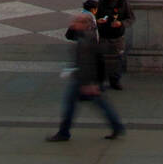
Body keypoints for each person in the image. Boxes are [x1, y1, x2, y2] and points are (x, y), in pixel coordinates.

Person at [47, 14, 125, 142]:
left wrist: (89, 84)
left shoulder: (86, 40)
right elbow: (70, 36)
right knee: (99, 105)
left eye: (77, 21)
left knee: (72, 105)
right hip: (85, 79)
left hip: (84, 81)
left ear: (84, 24)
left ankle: (64, 132)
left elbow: (87, 63)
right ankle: (116, 126)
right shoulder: (85, 36)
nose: (73, 23)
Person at [96, 0, 132, 89]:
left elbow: (130, 18)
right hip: (104, 35)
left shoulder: (124, 3)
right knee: (101, 58)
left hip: (118, 36)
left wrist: (121, 23)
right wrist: (99, 21)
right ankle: (100, 81)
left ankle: (115, 80)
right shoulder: (102, 2)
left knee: (119, 59)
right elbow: (96, 16)